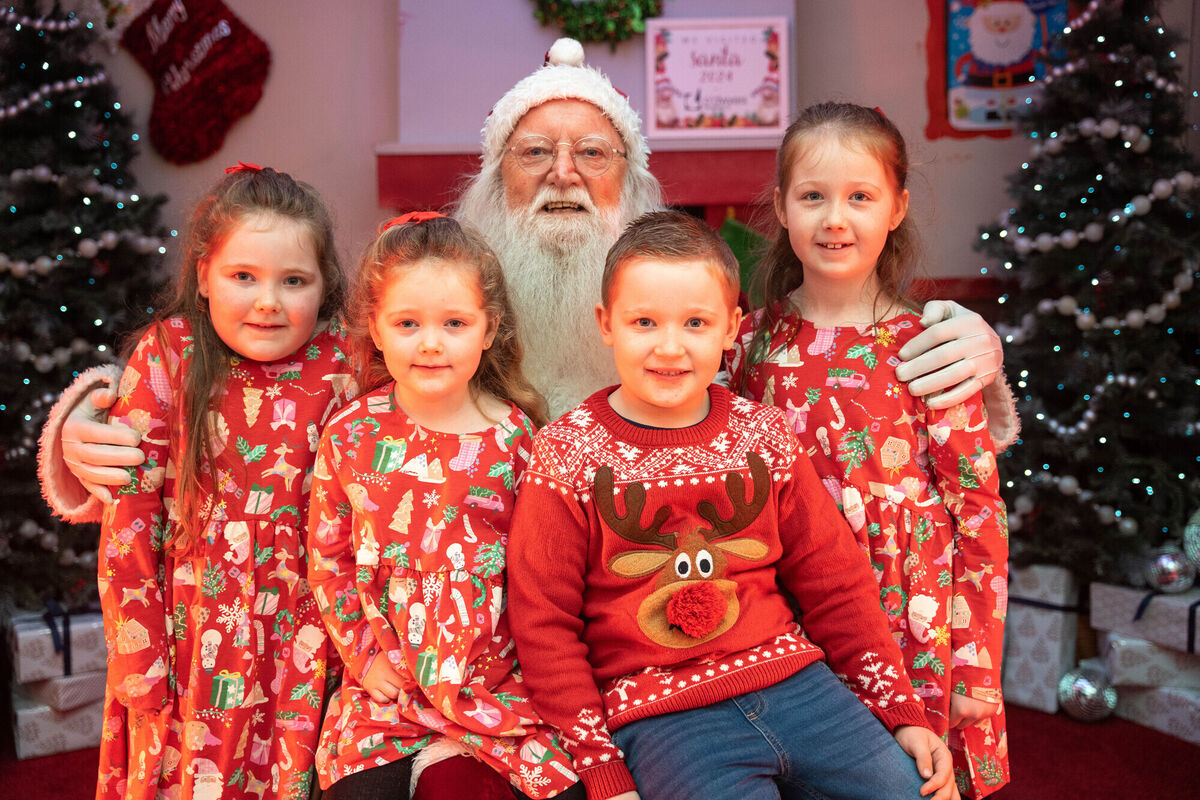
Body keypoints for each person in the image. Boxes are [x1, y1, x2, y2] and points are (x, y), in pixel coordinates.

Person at [43, 37, 1014, 509]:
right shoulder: (412, 318)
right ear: (488, 180)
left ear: (633, 185)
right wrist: (88, 423)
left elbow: (823, 366)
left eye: (592, 154)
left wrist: (977, 341)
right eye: (532, 152)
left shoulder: (709, 326)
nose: (561, 174)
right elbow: (265, 368)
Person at [506, 211, 960, 800]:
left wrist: (899, 710)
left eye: (696, 322)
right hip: (663, 715)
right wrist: (601, 768)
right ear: (607, 325)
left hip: (799, 686)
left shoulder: (762, 435)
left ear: (730, 328)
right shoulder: (564, 454)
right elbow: (544, 626)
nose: (670, 347)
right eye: (644, 321)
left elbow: (835, 582)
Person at [727, 103, 1009, 797]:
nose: (835, 219)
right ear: (781, 208)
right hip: (790, 615)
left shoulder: (931, 347)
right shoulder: (747, 346)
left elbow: (976, 512)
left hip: (911, 617)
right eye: (813, 196)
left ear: (896, 207)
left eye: (860, 196)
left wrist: (974, 667)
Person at [80, 164, 351, 799]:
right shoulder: (169, 354)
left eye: (293, 281)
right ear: (204, 275)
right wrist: (136, 656)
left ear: (324, 286)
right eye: (243, 277)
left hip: (307, 638)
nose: (268, 300)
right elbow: (128, 521)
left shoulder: (345, 363)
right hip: (187, 636)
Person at [306, 213, 582, 800]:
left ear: (489, 330)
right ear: (376, 331)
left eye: (454, 322)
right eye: (407, 323)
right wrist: (362, 659)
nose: (431, 342)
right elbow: (329, 560)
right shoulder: (352, 434)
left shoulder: (516, 439)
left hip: (497, 683)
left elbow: (541, 571)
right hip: (391, 680)